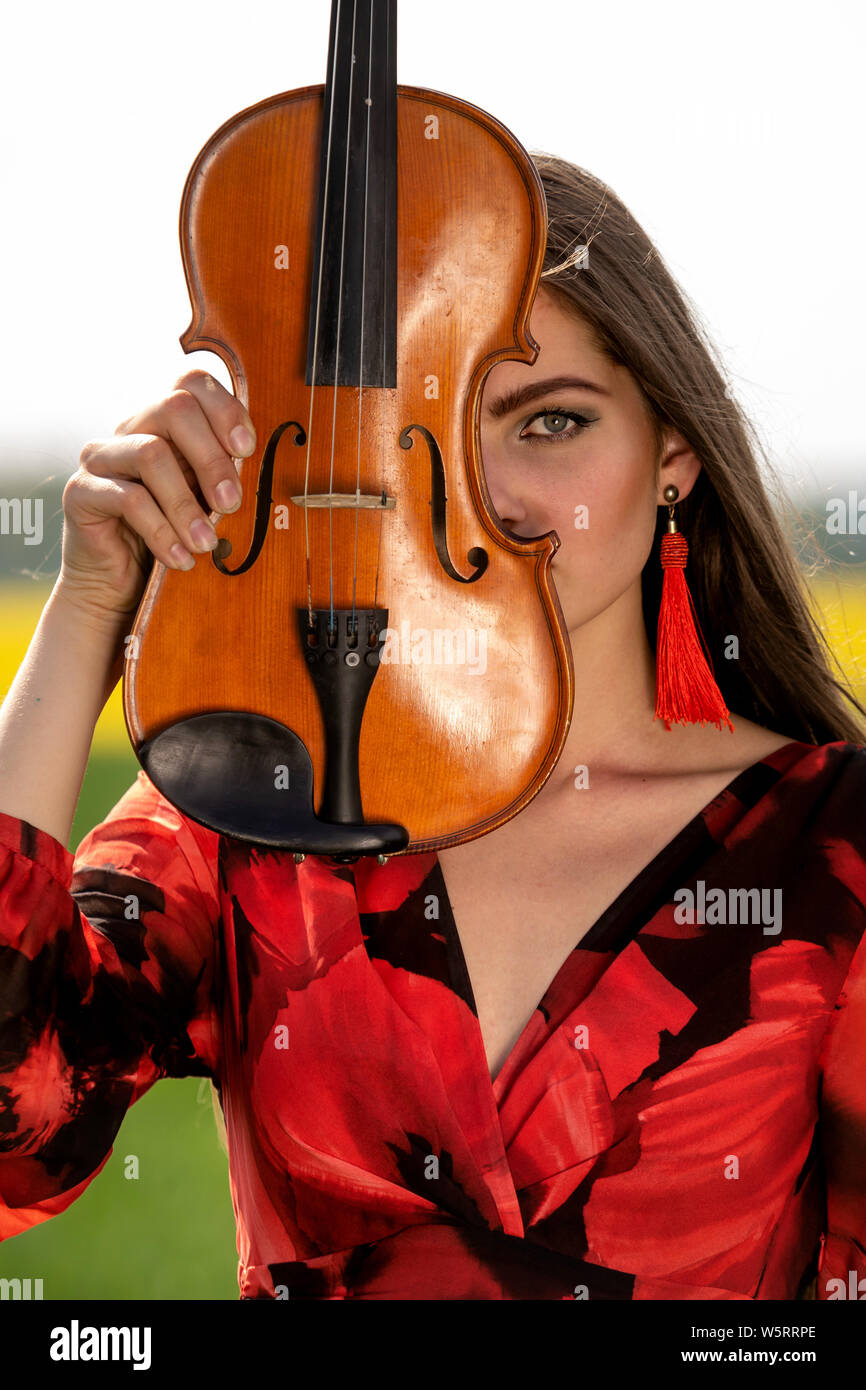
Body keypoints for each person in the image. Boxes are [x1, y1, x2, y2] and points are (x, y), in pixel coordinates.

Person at [1, 154, 864, 1301]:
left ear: (671, 455)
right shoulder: (250, 810)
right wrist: (87, 609)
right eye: (421, 433)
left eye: (547, 421)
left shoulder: (834, 845)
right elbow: (17, 1135)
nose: (481, 494)